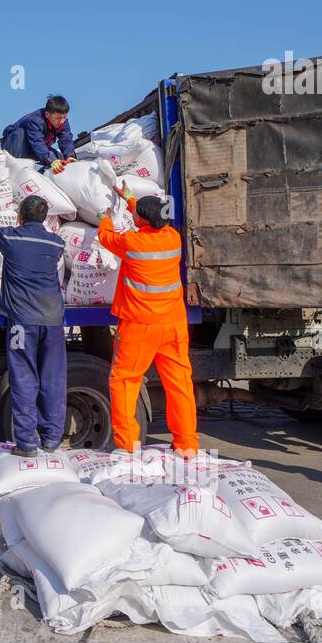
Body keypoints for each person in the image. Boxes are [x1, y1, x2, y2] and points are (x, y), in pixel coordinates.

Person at [94, 184, 199, 456]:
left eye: (137, 215)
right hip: (173, 324)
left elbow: (105, 237)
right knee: (179, 383)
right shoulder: (173, 238)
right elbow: (150, 217)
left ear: (142, 220)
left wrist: (105, 216)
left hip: (139, 325)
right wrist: (130, 200)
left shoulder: (132, 243)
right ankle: (186, 444)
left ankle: (129, 446)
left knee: (125, 381)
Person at [0, 191, 67, 457]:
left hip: (22, 323)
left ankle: (27, 443)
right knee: (52, 379)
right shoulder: (56, 243)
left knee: (25, 378)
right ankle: (51, 440)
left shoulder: (12, 238)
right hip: (52, 321)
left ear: (20, 216)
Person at [0, 94, 78, 173]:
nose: (61, 121)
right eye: (58, 118)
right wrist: (51, 160)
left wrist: (69, 156)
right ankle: (13, 170)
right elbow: (37, 142)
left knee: (62, 162)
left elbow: (66, 140)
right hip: (16, 145)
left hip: (36, 148)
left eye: (64, 117)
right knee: (19, 133)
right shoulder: (34, 120)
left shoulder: (63, 123)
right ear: (47, 114)